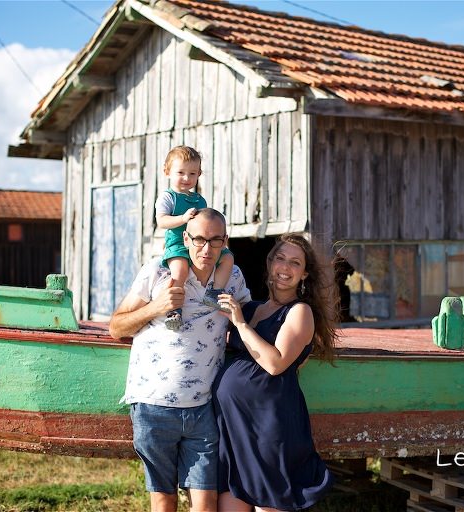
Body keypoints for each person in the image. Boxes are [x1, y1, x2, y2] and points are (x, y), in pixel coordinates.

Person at [109, 208, 251, 512]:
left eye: (215, 240)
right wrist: (156, 307)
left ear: (225, 240)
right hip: (153, 406)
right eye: (199, 239)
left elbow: (251, 322)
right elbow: (116, 327)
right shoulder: (157, 272)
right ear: (185, 238)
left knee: (206, 504)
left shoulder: (233, 278)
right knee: (164, 502)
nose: (206, 249)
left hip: (203, 407)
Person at [212, 233, 339, 511]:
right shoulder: (251, 308)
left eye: (295, 263)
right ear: (270, 263)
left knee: (269, 503)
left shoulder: (300, 312)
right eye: (280, 258)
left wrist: (241, 325)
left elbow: (276, 363)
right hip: (233, 428)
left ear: (304, 274)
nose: (285, 267)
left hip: (267, 429)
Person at [156, 146, 235, 330]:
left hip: (200, 244)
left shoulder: (200, 200)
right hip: (178, 244)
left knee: (228, 258)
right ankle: (174, 310)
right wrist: (183, 219)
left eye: (192, 173)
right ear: (167, 172)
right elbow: (161, 221)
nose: (186, 178)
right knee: (180, 272)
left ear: (199, 174)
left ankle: (214, 293)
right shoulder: (168, 197)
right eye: (180, 173)